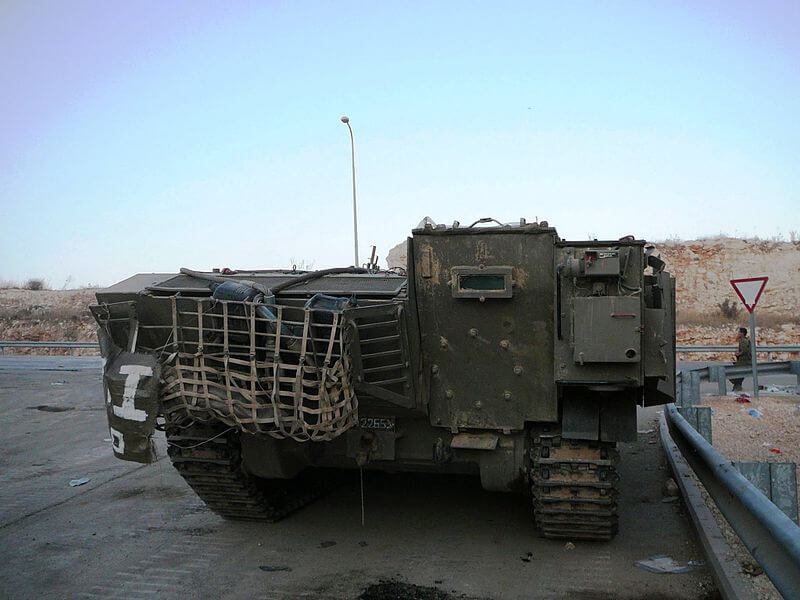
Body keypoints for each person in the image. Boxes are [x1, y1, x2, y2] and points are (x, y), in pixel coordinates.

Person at [729, 327, 751, 392]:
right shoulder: (743, 340)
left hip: (744, 361)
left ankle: (737, 387)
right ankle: (737, 387)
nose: (738, 334)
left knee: (734, 373)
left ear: (742, 333)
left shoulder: (743, 341)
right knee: (739, 375)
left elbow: (745, 350)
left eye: (739, 332)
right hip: (743, 360)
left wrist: (738, 354)